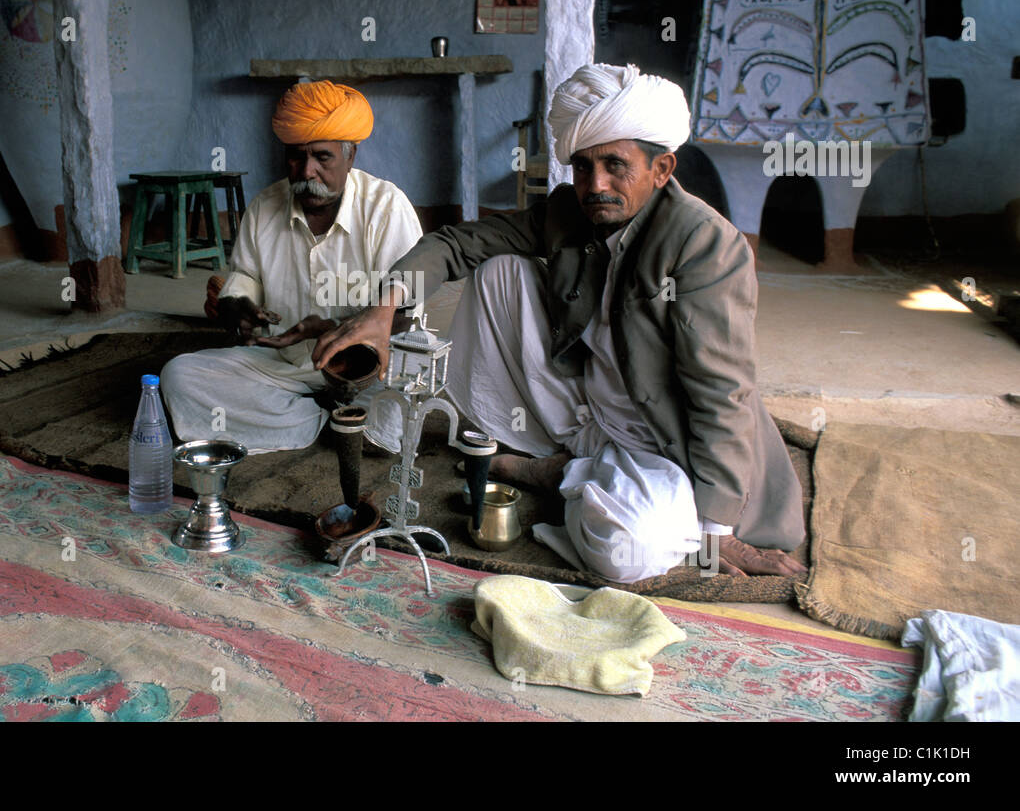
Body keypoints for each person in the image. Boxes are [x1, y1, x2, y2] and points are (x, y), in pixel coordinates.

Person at [314, 62, 807, 582]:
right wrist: (383, 309)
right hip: (586, 409)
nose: (595, 185)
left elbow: (721, 393)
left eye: (616, 165)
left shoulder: (705, 244)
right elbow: (458, 243)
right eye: (582, 166)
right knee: (499, 272)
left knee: (626, 556)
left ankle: (557, 473)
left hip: (668, 445)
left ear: (661, 170)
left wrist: (714, 531)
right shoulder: (572, 211)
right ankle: (581, 464)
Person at [160, 81, 422, 454]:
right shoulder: (265, 206)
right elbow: (245, 276)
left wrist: (338, 331)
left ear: (351, 156)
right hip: (284, 365)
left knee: (394, 412)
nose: (307, 171)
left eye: (323, 157)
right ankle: (320, 420)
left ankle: (319, 421)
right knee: (180, 377)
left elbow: (406, 313)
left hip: (368, 371)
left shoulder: (386, 208)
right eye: (297, 157)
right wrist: (236, 305)